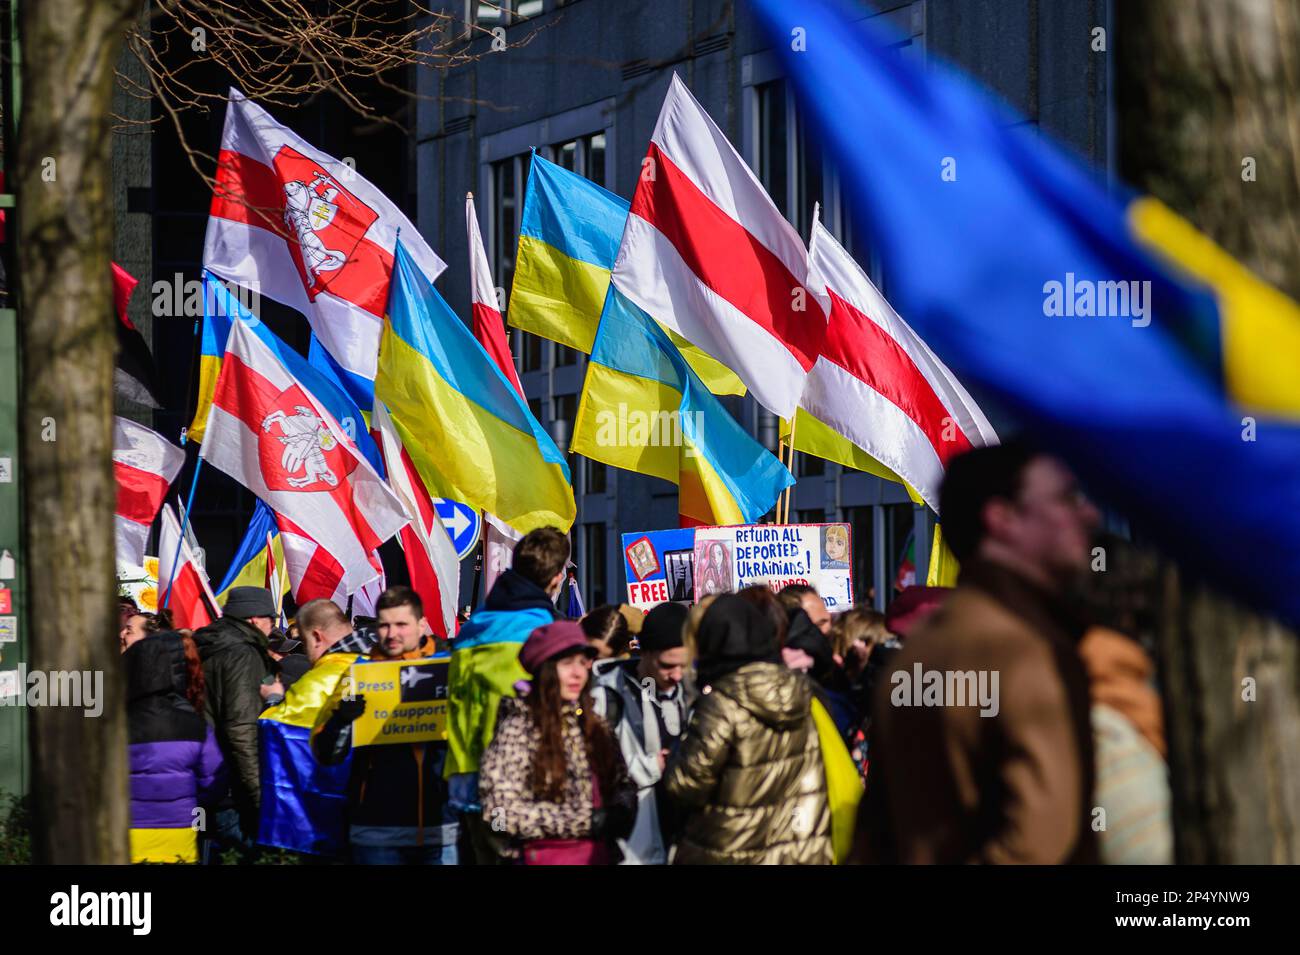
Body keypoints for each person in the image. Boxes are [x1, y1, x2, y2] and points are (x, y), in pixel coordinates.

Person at [856, 441, 1101, 864]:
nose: (1088, 515)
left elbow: (875, 838)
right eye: (1067, 499)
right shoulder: (1025, 649)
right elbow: (1039, 845)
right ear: (1002, 518)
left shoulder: (918, 654)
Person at [663, 593, 833, 864]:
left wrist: (673, 757)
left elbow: (686, 784)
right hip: (799, 851)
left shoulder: (722, 703)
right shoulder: (802, 693)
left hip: (732, 850)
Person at [446, 526, 569, 862]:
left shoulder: (472, 629)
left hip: (466, 783)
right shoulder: (548, 634)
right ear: (557, 578)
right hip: (520, 786)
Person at [312, 586, 458, 864]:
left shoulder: (449, 668)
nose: (392, 634)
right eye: (384, 625)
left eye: (401, 625)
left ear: (421, 625)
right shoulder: (356, 674)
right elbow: (325, 753)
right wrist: (342, 720)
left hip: (440, 827)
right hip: (376, 829)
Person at [479, 621, 636, 864]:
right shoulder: (519, 727)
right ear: (546, 670)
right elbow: (498, 813)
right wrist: (585, 821)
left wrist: (622, 811)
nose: (578, 673)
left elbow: (621, 783)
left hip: (599, 855)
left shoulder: (595, 724)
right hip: (542, 857)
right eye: (567, 664)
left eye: (582, 663)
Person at [257, 598, 368, 858]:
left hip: (320, 825)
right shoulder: (380, 666)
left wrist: (273, 698)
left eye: (306, 645)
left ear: (317, 637)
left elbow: (273, 727)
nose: (308, 655)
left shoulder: (322, 677)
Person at [591, 601, 694, 864]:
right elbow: (591, 773)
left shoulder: (694, 693)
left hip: (681, 845)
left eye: (684, 665)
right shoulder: (605, 697)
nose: (676, 675)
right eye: (667, 665)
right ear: (645, 652)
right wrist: (652, 767)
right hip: (631, 848)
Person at [191, 586, 278, 861]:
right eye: (271, 620)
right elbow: (242, 729)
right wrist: (259, 797)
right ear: (255, 620)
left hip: (206, 780)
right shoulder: (242, 654)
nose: (273, 627)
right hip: (231, 788)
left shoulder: (208, 646)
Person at [125, 631, 225, 863]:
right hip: (181, 833)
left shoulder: (114, 726)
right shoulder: (195, 725)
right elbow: (214, 782)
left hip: (126, 834)